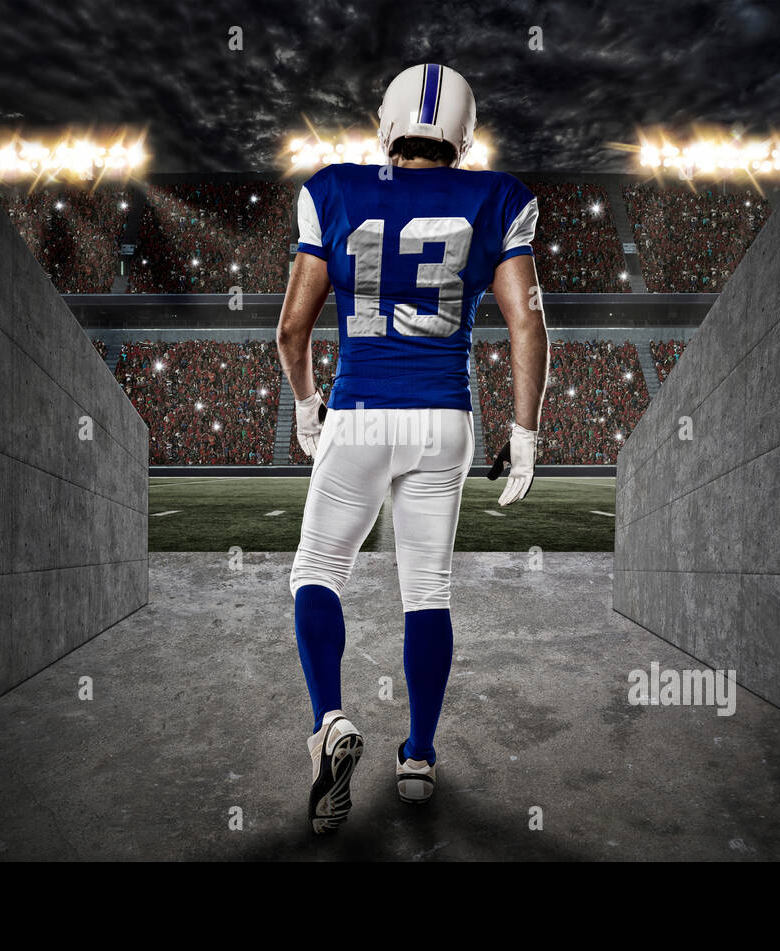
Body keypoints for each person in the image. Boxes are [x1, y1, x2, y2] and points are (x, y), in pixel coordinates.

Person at [275, 63, 549, 834]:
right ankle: (419, 759)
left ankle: (330, 721)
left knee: (317, 569)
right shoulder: (497, 197)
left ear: (387, 125)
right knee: (427, 588)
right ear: (463, 135)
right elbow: (526, 323)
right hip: (444, 417)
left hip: (359, 409)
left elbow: (292, 329)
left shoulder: (333, 189)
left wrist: (306, 409)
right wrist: (523, 436)